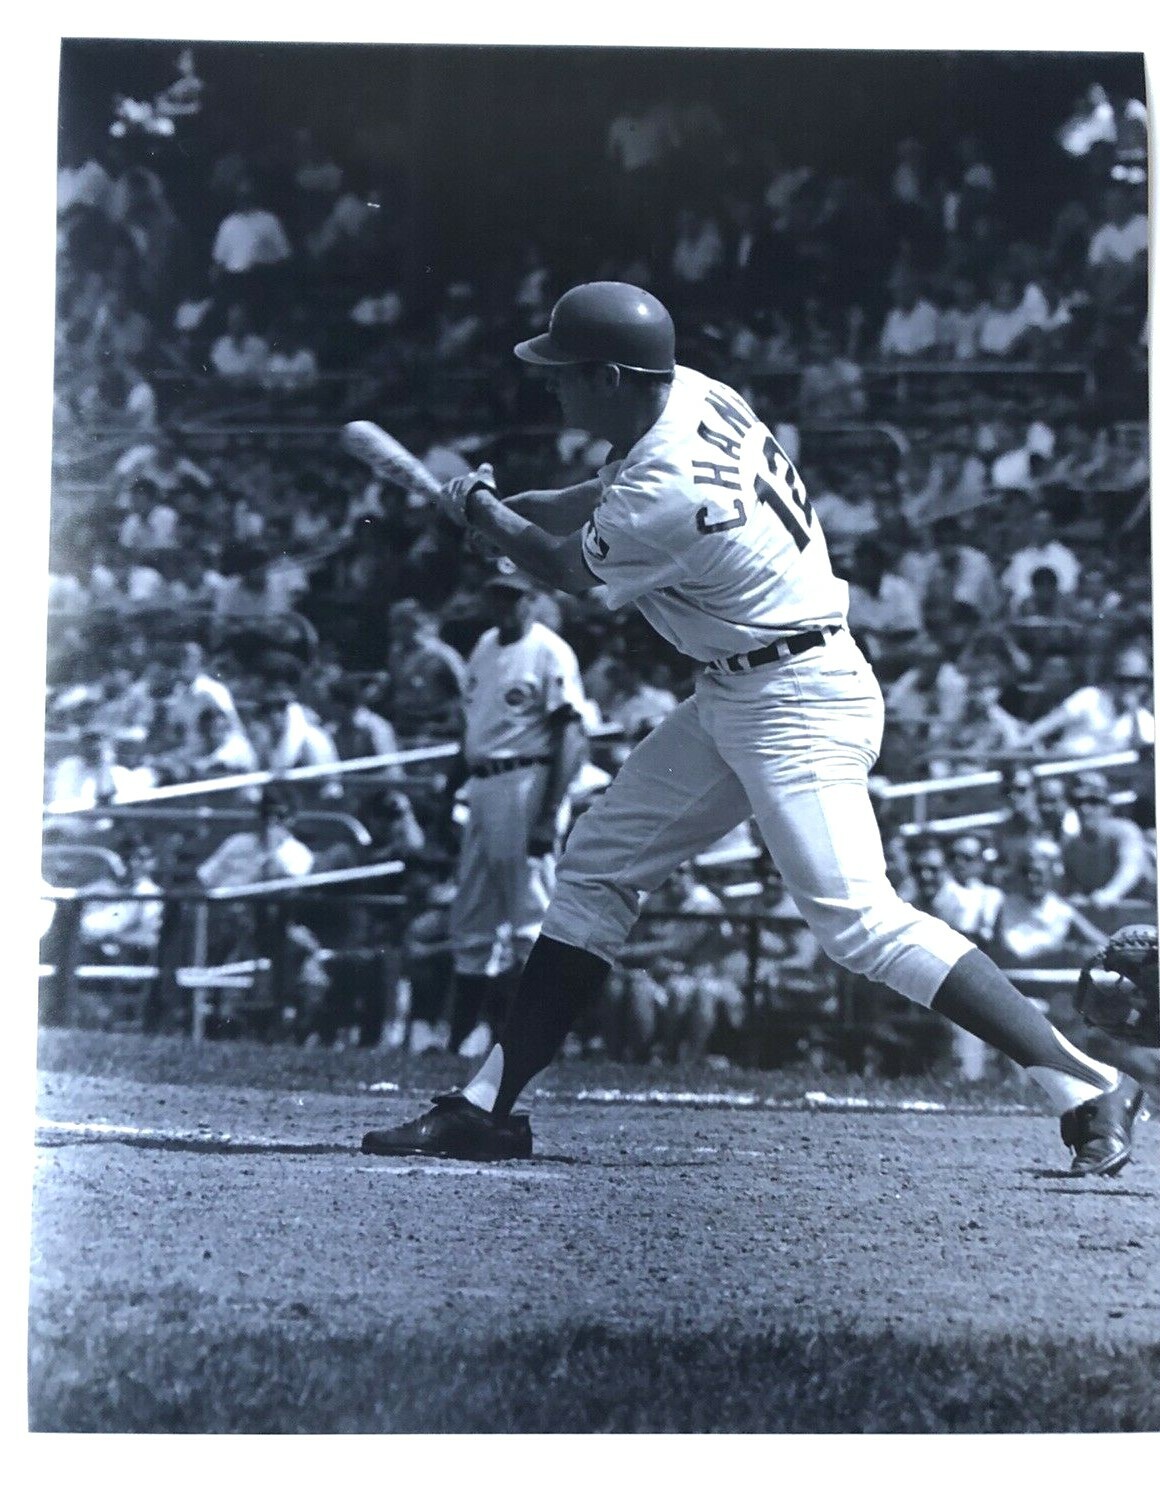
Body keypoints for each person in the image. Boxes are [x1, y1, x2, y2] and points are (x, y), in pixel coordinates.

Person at [356, 280, 1141, 1176]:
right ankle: (486, 1107)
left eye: (564, 375)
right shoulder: (690, 391)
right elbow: (597, 496)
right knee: (599, 863)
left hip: (795, 697)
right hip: (744, 688)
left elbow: (566, 574)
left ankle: (1083, 1082)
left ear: (613, 374)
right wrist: (515, 506)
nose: (552, 389)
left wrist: (490, 517)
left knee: (858, 923)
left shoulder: (671, 482)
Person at [445, 565, 589, 1057]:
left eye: (514, 597)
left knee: (532, 914)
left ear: (531, 600)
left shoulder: (550, 650)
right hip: (483, 782)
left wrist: (550, 814)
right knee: (473, 914)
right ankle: (463, 1040)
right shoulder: (485, 647)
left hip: (529, 779)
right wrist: (450, 792)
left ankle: (530, 1040)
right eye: (497, 596)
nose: (504, 605)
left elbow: (572, 734)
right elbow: (471, 729)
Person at [1060, 772, 1151, 908]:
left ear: (1107, 806)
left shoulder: (1125, 831)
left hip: (1144, 908)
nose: (1085, 809)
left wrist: (1110, 893)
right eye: (1078, 802)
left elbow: (1130, 868)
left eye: (1094, 802)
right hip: (1104, 915)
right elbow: (1073, 887)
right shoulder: (1072, 845)